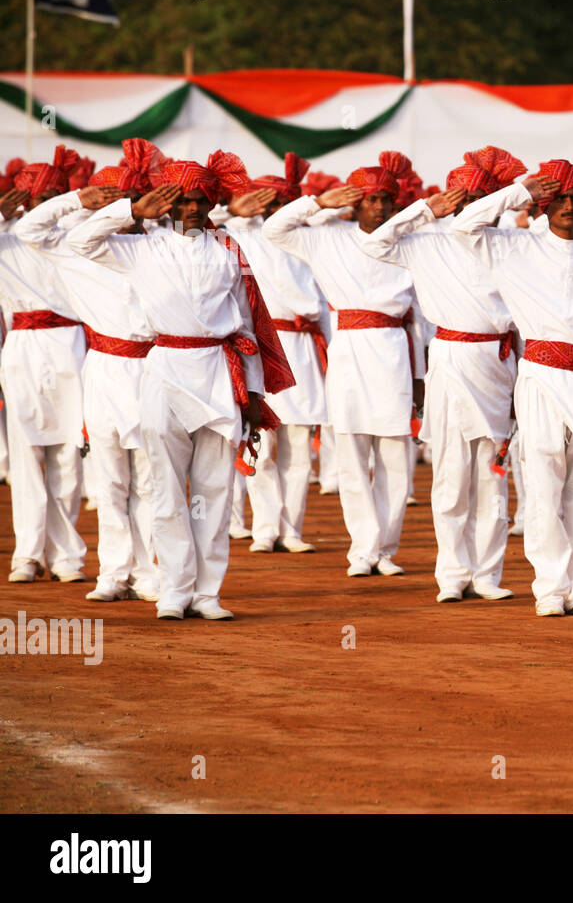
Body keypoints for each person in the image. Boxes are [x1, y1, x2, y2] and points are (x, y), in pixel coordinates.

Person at [66, 151, 294, 620]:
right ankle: (173, 588)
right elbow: (79, 241)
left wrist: (253, 395)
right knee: (166, 489)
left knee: (214, 489)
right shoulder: (142, 247)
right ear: (166, 204)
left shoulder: (229, 248)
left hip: (218, 369)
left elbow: (248, 328)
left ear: (213, 203)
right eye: (184, 201)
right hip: (164, 368)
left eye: (200, 201)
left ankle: (207, 593)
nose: (192, 209)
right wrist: (130, 211)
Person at [451, 155, 573, 617]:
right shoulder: (515, 248)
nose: (569, 205)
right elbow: (465, 226)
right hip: (541, 377)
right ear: (544, 204)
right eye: (560, 197)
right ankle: (550, 588)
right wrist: (521, 191)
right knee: (544, 485)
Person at [360, 145, 526, 603]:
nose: (474, 207)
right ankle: (452, 574)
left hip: (500, 361)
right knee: (451, 474)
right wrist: (423, 210)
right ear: (453, 201)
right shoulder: (426, 242)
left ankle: (488, 575)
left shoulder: (511, 245)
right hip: (451, 359)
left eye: (483, 198)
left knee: (494, 475)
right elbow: (373, 243)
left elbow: (525, 319)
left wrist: (523, 380)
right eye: (466, 199)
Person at [12, 140, 162, 601]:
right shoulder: (74, 247)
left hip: (154, 368)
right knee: (110, 478)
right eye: (119, 199)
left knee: (153, 478)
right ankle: (112, 573)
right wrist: (77, 199)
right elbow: (31, 230)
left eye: (134, 199)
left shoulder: (160, 246)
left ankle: (150, 571)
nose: (128, 207)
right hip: (102, 368)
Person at [263, 152, 425, 578]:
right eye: (370, 199)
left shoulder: (409, 243)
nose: (379, 206)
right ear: (354, 202)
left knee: (394, 458)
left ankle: (385, 551)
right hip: (349, 350)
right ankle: (362, 550)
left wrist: (420, 375)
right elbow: (273, 228)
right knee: (351, 454)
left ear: (394, 203)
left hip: (394, 350)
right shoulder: (327, 236)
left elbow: (420, 318)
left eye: (385, 199)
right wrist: (319, 202)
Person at [222, 153, 328, 555]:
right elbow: (189, 229)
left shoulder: (312, 241)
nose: (274, 210)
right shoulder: (241, 236)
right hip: (265, 346)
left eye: (281, 203)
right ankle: (265, 527)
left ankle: (292, 529)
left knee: (300, 445)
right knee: (262, 440)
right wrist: (231, 208)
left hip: (304, 346)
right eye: (267, 203)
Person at [0, 147, 89, 583]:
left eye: (52, 194)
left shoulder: (72, 235)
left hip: (72, 345)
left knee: (69, 453)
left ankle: (67, 555)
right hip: (22, 349)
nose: (42, 203)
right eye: (34, 196)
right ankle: (28, 554)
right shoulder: (5, 237)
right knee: (26, 452)